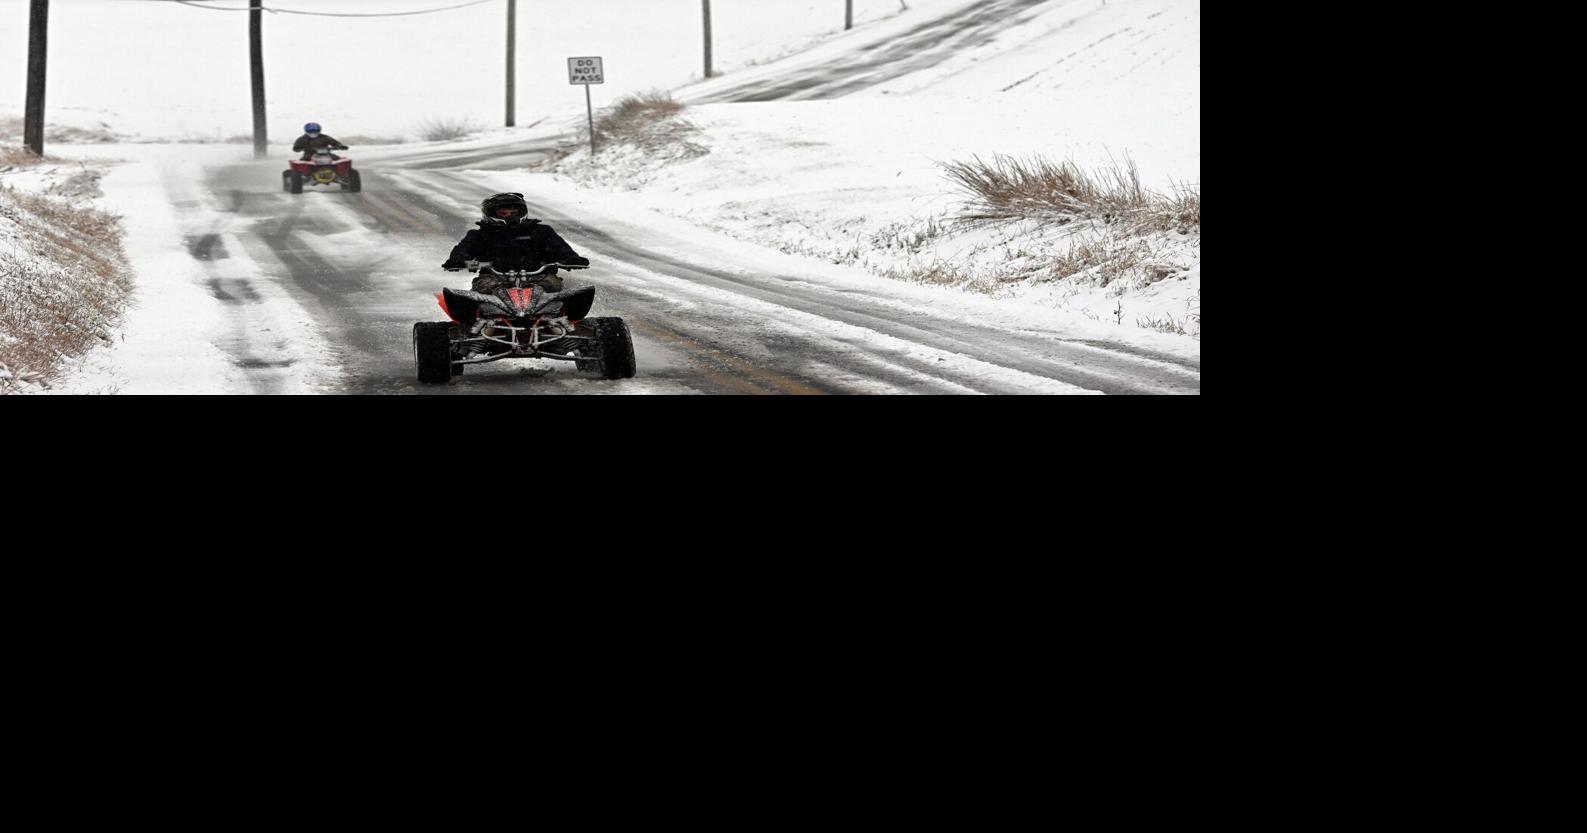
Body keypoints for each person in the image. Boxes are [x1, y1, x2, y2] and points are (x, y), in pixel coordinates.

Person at [442, 193, 589, 292]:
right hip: (493, 277)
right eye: (503, 213)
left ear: (522, 212)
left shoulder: (541, 231)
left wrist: (571, 258)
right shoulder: (480, 235)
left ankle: (561, 319)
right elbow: (464, 250)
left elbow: (560, 248)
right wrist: (458, 260)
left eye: (513, 213)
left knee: (554, 286)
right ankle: (477, 322)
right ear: (490, 214)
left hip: (539, 277)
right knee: (483, 290)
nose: (509, 216)